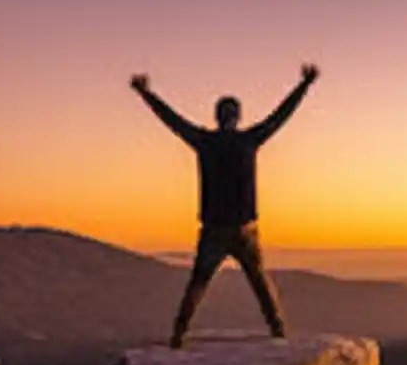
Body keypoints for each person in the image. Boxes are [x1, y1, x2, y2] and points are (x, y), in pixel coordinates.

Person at [131, 64, 320, 348]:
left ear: (217, 117)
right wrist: (304, 85)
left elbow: (172, 120)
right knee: (260, 284)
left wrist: (146, 93)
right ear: (237, 117)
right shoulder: (248, 140)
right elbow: (281, 115)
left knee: (198, 283)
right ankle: (278, 332)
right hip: (245, 229)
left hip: (213, 229)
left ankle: (178, 336)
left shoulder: (205, 142)